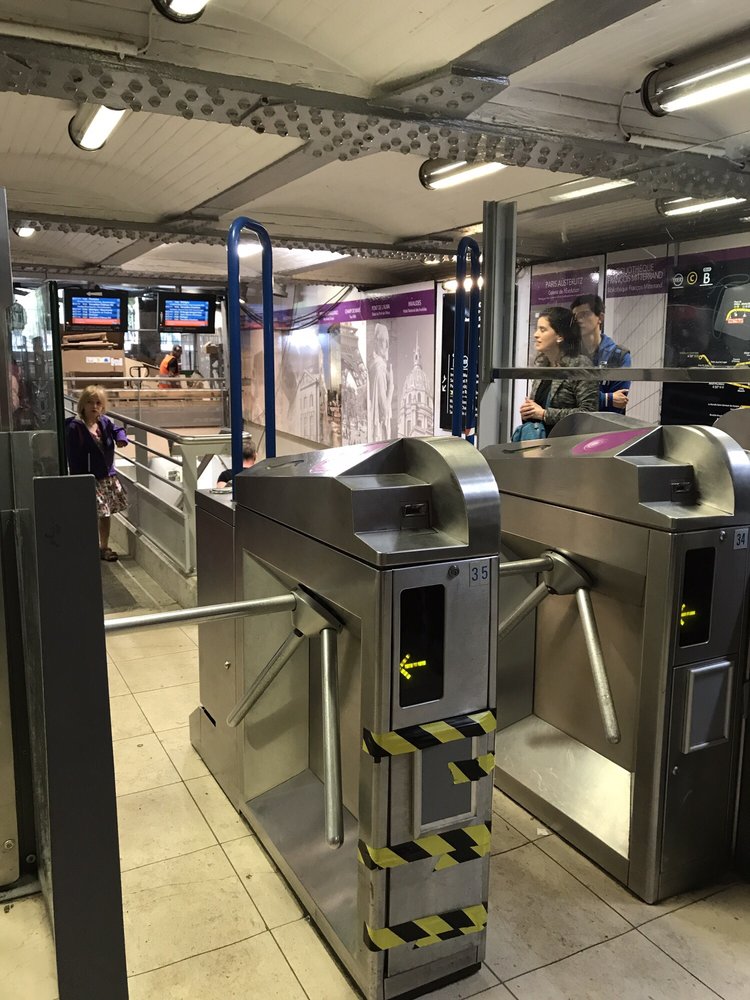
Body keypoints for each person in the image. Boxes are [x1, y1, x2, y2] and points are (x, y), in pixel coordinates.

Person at [65, 385, 129, 562]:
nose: (94, 406)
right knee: (90, 514)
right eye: (90, 402)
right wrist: (77, 479)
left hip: (105, 477)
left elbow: (117, 430)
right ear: (82, 405)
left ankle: (104, 546)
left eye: (98, 403)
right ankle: (86, 545)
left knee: (105, 514)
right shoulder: (75, 427)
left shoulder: (104, 422)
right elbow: (73, 455)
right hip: (88, 478)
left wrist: (121, 439)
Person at [519, 306, 598, 432]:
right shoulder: (543, 365)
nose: (536, 335)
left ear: (560, 336)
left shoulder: (580, 365)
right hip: (541, 443)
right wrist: (528, 412)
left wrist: (544, 414)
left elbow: (588, 413)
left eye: (542, 330)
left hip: (567, 445)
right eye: (537, 329)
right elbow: (537, 411)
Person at [571, 295, 631, 412]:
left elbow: (618, 403)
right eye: (575, 317)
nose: (579, 320)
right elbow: (565, 398)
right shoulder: (569, 354)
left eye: (584, 314)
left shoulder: (619, 355)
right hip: (573, 424)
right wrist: (607, 398)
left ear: (600, 317)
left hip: (606, 426)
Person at [369, 323, 394, 440]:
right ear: (376, 342)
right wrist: (391, 388)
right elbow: (384, 409)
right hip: (380, 431)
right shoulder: (380, 368)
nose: (387, 345)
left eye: (388, 341)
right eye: (384, 340)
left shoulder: (374, 365)